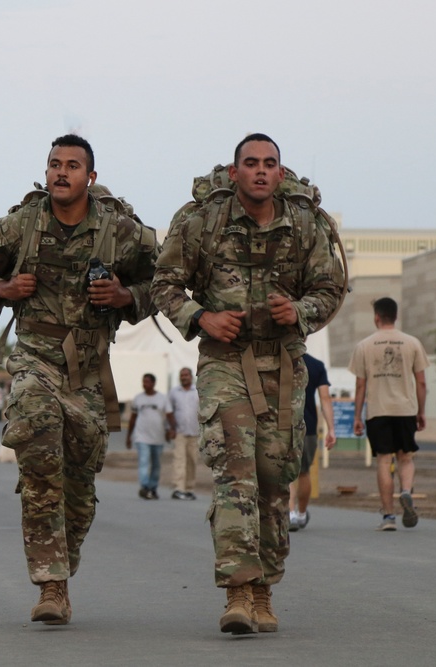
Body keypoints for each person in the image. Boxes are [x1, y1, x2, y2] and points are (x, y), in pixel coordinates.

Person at [150, 133, 345, 635]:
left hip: (282, 364)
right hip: (225, 361)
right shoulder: (203, 222)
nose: (260, 171)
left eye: (270, 164)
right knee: (235, 471)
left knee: (274, 479)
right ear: (235, 172)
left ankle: (264, 590)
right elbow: (164, 283)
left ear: (280, 174)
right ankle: (237, 591)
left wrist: (298, 311)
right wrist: (202, 317)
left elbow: (331, 288)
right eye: (251, 163)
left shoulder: (304, 224)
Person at [0, 134, 159, 625]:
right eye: (54, 164)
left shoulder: (121, 232)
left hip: (89, 369)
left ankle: (63, 562)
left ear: (90, 177)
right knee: (39, 459)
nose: (61, 172)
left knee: (79, 482)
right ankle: (51, 585)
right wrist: (2, 288)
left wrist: (124, 296)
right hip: (34, 359)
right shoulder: (19, 226)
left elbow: (165, 281)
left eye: (73, 166)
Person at [348, 297, 428, 532]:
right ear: (395, 316)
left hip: (378, 411)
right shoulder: (412, 343)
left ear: (376, 317)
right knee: (406, 458)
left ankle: (388, 516)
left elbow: (360, 386)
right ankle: (405, 491)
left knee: (384, 460)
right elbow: (421, 382)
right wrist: (421, 411)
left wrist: (356, 417)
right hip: (406, 409)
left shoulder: (364, 345)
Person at [288, 353, 336, 530]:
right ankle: (301, 514)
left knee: (286, 473)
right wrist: (331, 428)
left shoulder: (279, 360)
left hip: (281, 424)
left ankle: (290, 513)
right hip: (308, 425)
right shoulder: (316, 365)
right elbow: (325, 398)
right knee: (304, 472)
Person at [126, 373, 171, 500]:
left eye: (147, 382)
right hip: (142, 437)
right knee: (144, 462)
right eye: (143, 382)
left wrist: (170, 430)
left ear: (153, 383)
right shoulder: (138, 399)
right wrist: (128, 436)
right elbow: (133, 419)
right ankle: (145, 487)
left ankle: (153, 487)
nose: (145, 384)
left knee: (156, 465)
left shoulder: (162, 398)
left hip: (158, 437)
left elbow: (168, 416)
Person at [166, 367, 200, 500]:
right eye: (181, 375)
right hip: (179, 432)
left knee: (192, 461)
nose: (184, 377)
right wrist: (170, 428)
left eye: (186, 375)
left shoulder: (197, 392)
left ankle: (189, 489)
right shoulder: (174, 392)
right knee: (179, 460)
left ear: (191, 377)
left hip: (195, 432)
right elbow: (169, 411)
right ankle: (178, 488)